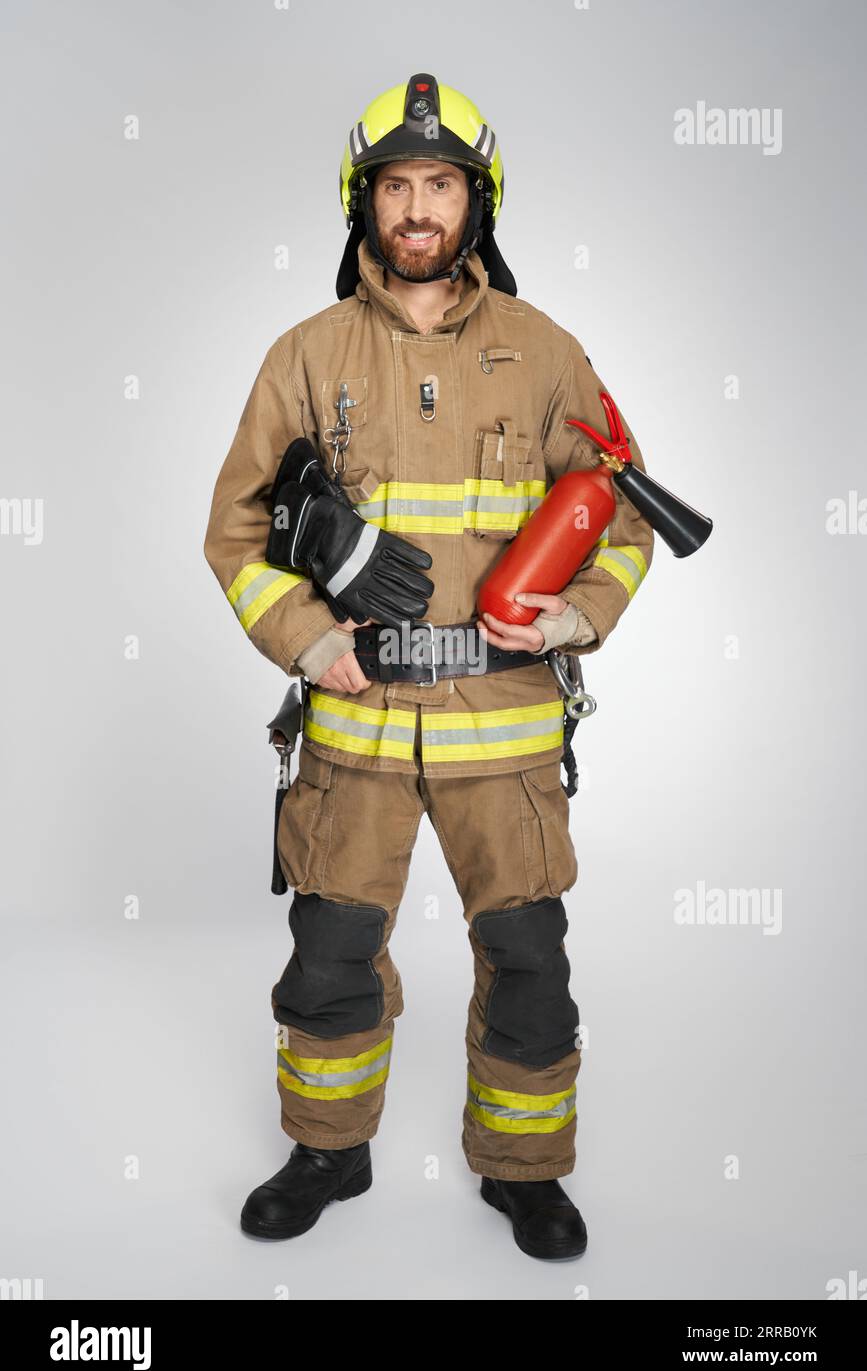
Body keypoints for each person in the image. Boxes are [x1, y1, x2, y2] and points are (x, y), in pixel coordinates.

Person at [204, 73, 653, 1261]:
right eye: (396, 186)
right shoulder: (304, 354)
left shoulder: (548, 352)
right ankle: (326, 1150)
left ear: (476, 201)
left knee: (529, 963)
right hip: (351, 734)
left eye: (439, 185)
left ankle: (524, 1168)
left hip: (504, 735)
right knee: (329, 955)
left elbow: (626, 510)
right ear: (365, 202)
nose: (417, 209)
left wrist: (574, 618)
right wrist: (304, 637)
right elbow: (236, 530)